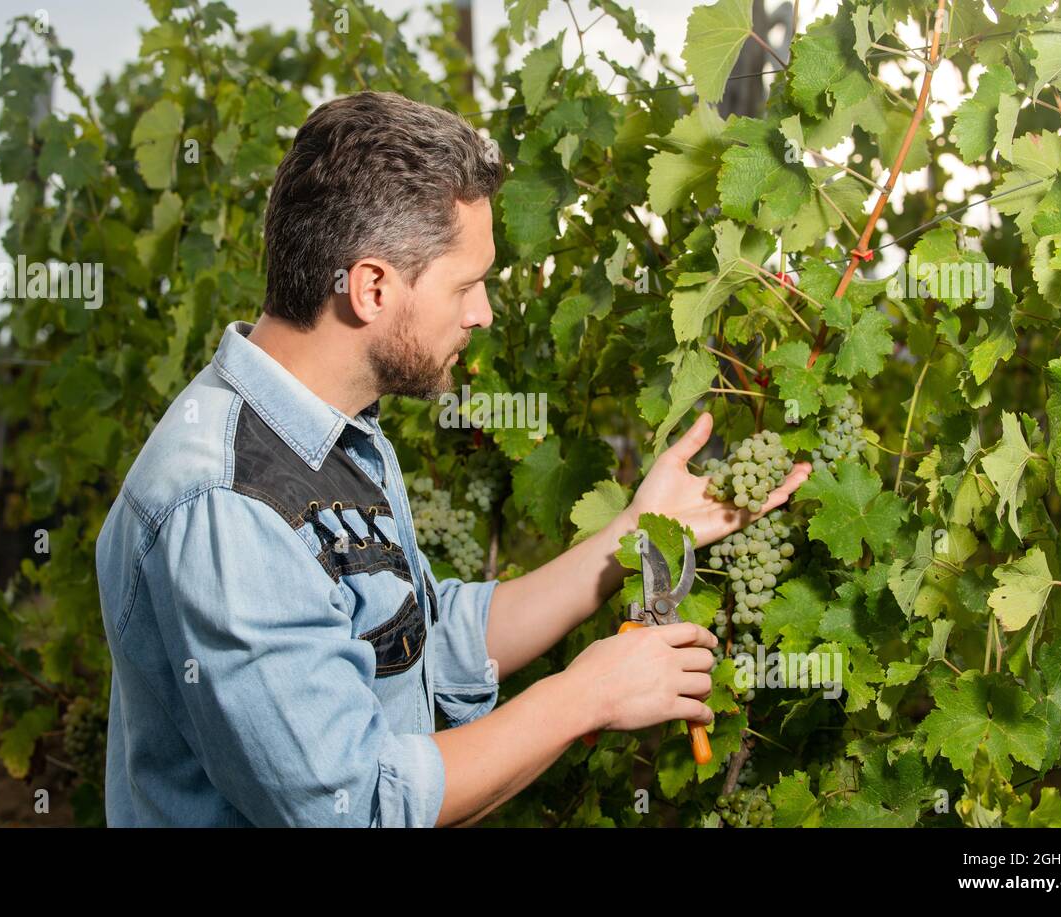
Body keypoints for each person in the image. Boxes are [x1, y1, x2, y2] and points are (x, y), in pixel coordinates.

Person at [94, 90, 811, 827]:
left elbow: (426, 639)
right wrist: (585, 694)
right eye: (466, 285)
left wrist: (631, 533)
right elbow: (358, 807)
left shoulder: (335, 433)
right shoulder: (229, 505)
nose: (484, 313)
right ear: (372, 287)